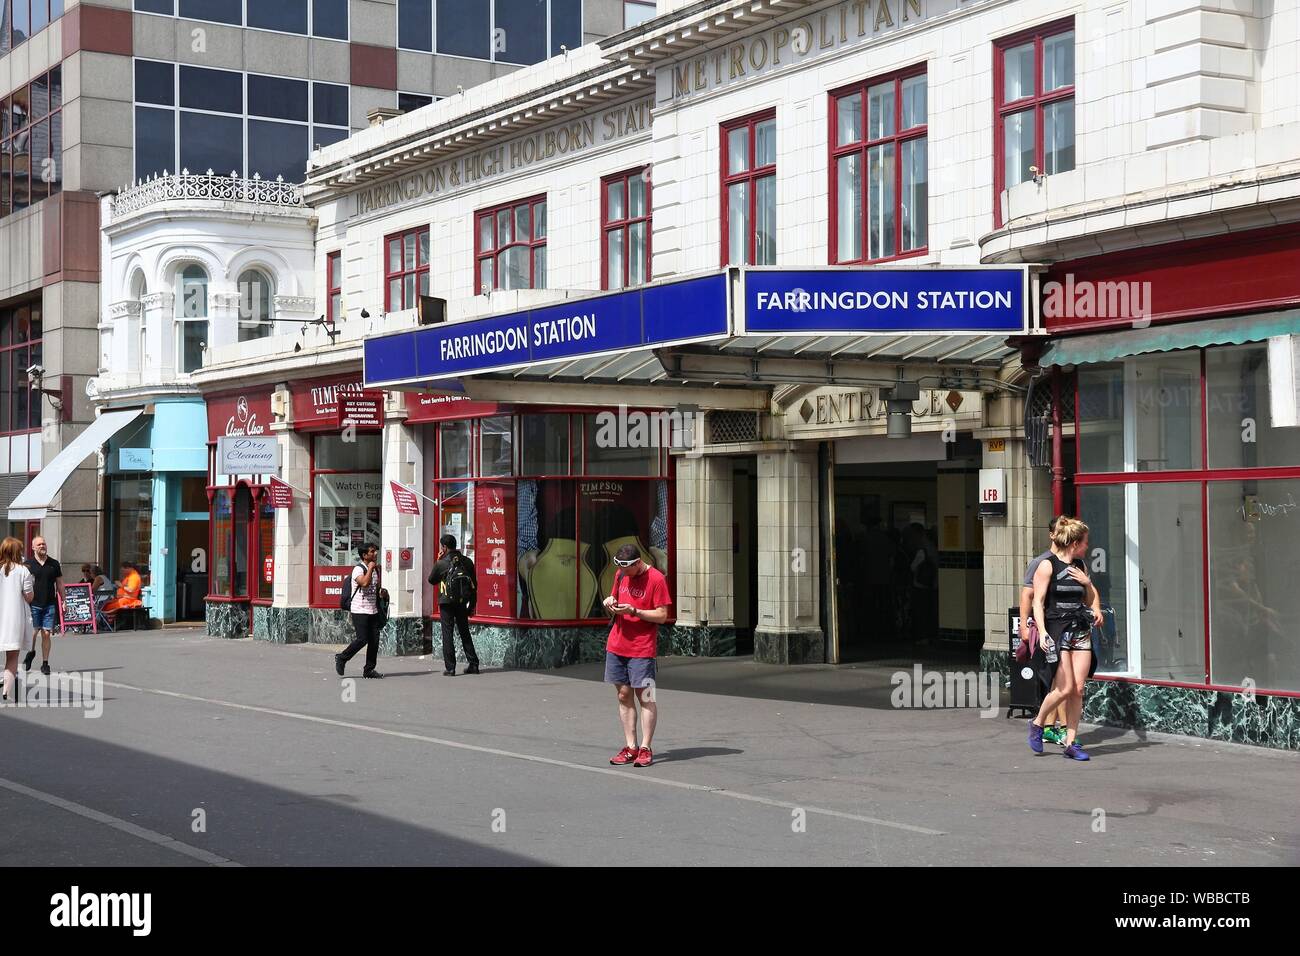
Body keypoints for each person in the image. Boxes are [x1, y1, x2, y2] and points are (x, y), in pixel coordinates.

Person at [1027, 517, 1104, 761]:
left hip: (1080, 630)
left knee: (1078, 689)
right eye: (1085, 542)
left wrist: (1087, 583)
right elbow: (1037, 602)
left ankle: (1071, 743)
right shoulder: (1047, 565)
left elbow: (1089, 599)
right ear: (1074, 543)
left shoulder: (1080, 566)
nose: (1087, 546)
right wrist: (1042, 632)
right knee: (1065, 688)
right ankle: (1038, 723)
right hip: (1057, 631)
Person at [602, 542, 671, 768]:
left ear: (638, 563)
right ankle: (630, 747)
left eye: (627, 569)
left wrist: (634, 611)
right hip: (617, 645)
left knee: (646, 697)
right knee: (623, 695)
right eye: (620, 569)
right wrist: (610, 602)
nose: (624, 573)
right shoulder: (621, 574)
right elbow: (615, 599)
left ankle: (645, 747)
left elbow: (662, 615)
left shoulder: (656, 579)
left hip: (642, 649)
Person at [1019, 516, 1081, 746]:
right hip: (1050, 630)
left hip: (1069, 631)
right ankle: (1049, 727)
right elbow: (1029, 595)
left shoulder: (1076, 563)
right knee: (1060, 683)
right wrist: (1024, 626)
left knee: (1062, 684)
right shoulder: (1042, 563)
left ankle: (1053, 727)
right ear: (1052, 535)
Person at [429, 534, 480, 676]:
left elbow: (432, 580)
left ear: (444, 547)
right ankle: (473, 664)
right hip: (462, 602)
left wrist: (438, 561)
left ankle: (450, 668)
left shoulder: (442, 563)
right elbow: (474, 585)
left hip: (446, 602)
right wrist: (472, 605)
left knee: (447, 633)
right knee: (464, 631)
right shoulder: (467, 561)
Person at [335, 543, 384, 679]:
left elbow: (374, 589)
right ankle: (342, 657)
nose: (375, 553)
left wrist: (382, 593)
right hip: (359, 610)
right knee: (362, 639)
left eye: (375, 551)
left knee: (374, 641)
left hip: (373, 610)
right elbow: (364, 583)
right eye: (372, 551)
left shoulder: (375, 570)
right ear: (364, 555)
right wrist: (370, 568)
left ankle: (369, 669)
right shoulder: (358, 569)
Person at [23, 536, 64, 676]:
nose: (42, 546)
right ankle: (31, 652)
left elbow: (60, 583)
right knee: (33, 632)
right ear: (33, 547)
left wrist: (64, 600)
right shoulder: (28, 565)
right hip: (33, 604)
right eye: (39, 544)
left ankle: (45, 664)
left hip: (49, 604)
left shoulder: (54, 564)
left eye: (44, 544)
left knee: (46, 634)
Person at [0, 537, 35, 702]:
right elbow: (29, 597)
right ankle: (6, 691)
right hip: (14, 618)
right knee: (12, 657)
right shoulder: (23, 571)